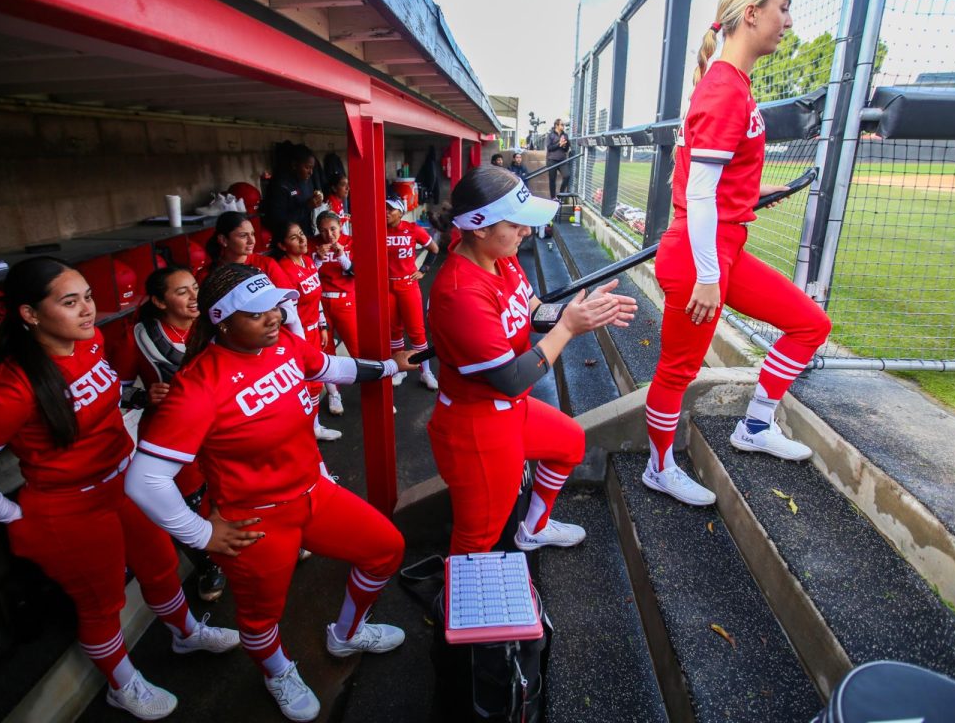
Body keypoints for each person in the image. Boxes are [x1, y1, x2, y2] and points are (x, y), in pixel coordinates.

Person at [0, 257, 239, 721]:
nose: (87, 310)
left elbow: (109, 402)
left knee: (158, 565)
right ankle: (122, 684)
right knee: (102, 603)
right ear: (29, 314)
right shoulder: (9, 388)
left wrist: (140, 400)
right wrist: (13, 515)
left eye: (88, 297)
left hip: (123, 483)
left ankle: (185, 632)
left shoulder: (90, 341)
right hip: (70, 509)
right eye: (70, 302)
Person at [126, 263, 415, 722]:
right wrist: (202, 535)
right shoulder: (197, 386)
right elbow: (144, 480)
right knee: (262, 618)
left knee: (386, 549)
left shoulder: (283, 343)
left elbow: (327, 365)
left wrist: (386, 366)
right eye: (257, 313)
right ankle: (277, 671)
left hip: (314, 492)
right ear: (222, 320)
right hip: (254, 521)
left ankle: (346, 632)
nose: (274, 317)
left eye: (275, 306)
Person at [643, 0, 833, 508]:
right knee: (677, 370)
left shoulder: (732, 83)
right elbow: (699, 196)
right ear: (751, 13)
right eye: (784, 8)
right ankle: (659, 468)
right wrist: (707, 275)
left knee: (809, 324)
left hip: (723, 247)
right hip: (700, 255)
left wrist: (754, 189)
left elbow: (713, 181)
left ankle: (753, 426)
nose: (789, 22)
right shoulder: (725, 87)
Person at [428, 167, 637, 554]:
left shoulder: (501, 258)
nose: (526, 231)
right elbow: (510, 378)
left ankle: (533, 528)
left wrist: (577, 314)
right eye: (516, 223)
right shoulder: (459, 293)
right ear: (480, 227)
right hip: (476, 427)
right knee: (479, 537)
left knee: (570, 442)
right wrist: (569, 329)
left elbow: (532, 309)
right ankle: (460, 608)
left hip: (510, 411)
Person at [131, 265, 227, 603]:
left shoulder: (216, 323)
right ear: (159, 301)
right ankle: (206, 564)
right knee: (185, 501)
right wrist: (143, 396)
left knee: (231, 488)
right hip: (172, 432)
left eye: (194, 288)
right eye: (181, 291)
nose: (193, 297)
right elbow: (116, 388)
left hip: (219, 426)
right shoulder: (140, 337)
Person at [272, 221, 342, 442]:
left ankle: (313, 427)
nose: (302, 239)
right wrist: (303, 342)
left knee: (315, 382)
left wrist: (322, 325)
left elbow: (316, 298)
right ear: (282, 245)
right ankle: (311, 429)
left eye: (302, 234)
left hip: (313, 331)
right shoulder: (283, 269)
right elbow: (289, 313)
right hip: (297, 335)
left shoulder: (309, 261)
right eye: (294, 237)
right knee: (308, 384)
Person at [385, 193, 440, 389]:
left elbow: (434, 249)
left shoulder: (411, 229)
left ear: (400, 212)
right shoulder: (378, 230)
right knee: (394, 332)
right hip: (387, 286)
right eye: (384, 208)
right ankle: (400, 370)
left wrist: (423, 270)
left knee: (417, 331)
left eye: (390, 209)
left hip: (407, 284)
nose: (386, 213)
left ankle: (425, 371)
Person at [314, 210, 357, 416]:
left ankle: (373, 390)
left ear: (340, 227)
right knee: (325, 348)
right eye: (323, 231)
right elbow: (306, 274)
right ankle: (333, 392)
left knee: (356, 345)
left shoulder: (350, 242)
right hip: (321, 302)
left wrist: (342, 257)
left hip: (345, 301)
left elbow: (358, 271)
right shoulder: (313, 244)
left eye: (332, 229)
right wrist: (318, 259)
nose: (329, 235)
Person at [197, 211, 288, 290]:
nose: (251, 241)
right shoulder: (206, 275)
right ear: (223, 240)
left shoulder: (266, 264)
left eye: (252, 234)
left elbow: (289, 301)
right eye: (243, 235)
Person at [263, 144, 317, 237]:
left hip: (307, 233)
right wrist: (307, 206)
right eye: (307, 167)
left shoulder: (306, 180)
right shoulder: (280, 186)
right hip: (290, 240)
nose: (311, 172)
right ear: (294, 165)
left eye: (312, 168)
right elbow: (278, 221)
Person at [546, 119, 571, 199]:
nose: (563, 126)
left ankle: (560, 195)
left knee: (567, 176)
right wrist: (559, 144)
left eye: (563, 125)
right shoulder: (550, 135)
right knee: (552, 180)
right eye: (562, 124)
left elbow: (566, 149)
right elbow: (549, 148)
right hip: (552, 160)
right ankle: (553, 197)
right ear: (556, 125)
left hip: (562, 160)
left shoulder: (565, 135)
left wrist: (565, 145)